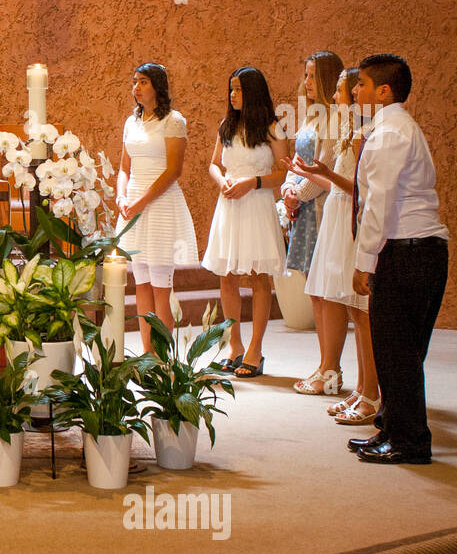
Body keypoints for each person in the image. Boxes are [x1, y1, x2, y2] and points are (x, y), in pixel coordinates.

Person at [346, 54, 448, 465]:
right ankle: (392, 427)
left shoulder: (391, 133)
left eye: (362, 84)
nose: (355, 91)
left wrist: (363, 260)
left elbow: (380, 203)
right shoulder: (392, 127)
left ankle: (409, 441)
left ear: (383, 91)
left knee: (397, 349)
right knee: (397, 349)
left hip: (406, 249)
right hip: (417, 250)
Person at [286, 67, 380, 425]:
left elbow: (357, 187)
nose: (349, 94)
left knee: (361, 309)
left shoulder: (365, 132)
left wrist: (321, 175)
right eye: (346, 88)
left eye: (352, 87)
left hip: (350, 217)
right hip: (339, 217)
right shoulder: (347, 129)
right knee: (350, 306)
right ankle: (360, 388)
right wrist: (312, 174)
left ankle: (371, 390)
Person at [201, 66, 290, 377]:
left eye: (238, 89)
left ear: (253, 92)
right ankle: (234, 345)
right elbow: (213, 165)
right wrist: (222, 180)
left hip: (256, 203)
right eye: (231, 89)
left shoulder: (272, 127)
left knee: (258, 277)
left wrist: (252, 182)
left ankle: (256, 349)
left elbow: (284, 172)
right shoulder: (227, 125)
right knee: (227, 276)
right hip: (229, 206)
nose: (232, 95)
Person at [116, 62, 198, 353]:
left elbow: (174, 170)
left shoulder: (174, 121)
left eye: (143, 82)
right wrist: (122, 196)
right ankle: (147, 353)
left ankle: (164, 356)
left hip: (160, 203)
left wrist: (141, 202)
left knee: (161, 284)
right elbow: (124, 168)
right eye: (134, 81)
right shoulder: (131, 122)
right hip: (134, 204)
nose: (136, 87)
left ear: (157, 86)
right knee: (140, 281)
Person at [285, 51, 346, 395]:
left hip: (324, 207)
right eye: (304, 75)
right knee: (314, 290)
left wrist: (299, 194)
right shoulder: (311, 118)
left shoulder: (336, 118)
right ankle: (323, 364)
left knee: (326, 292)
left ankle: (330, 367)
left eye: (311, 76)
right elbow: (296, 161)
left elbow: (326, 166)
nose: (305, 82)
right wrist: (288, 191)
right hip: (306, 208)